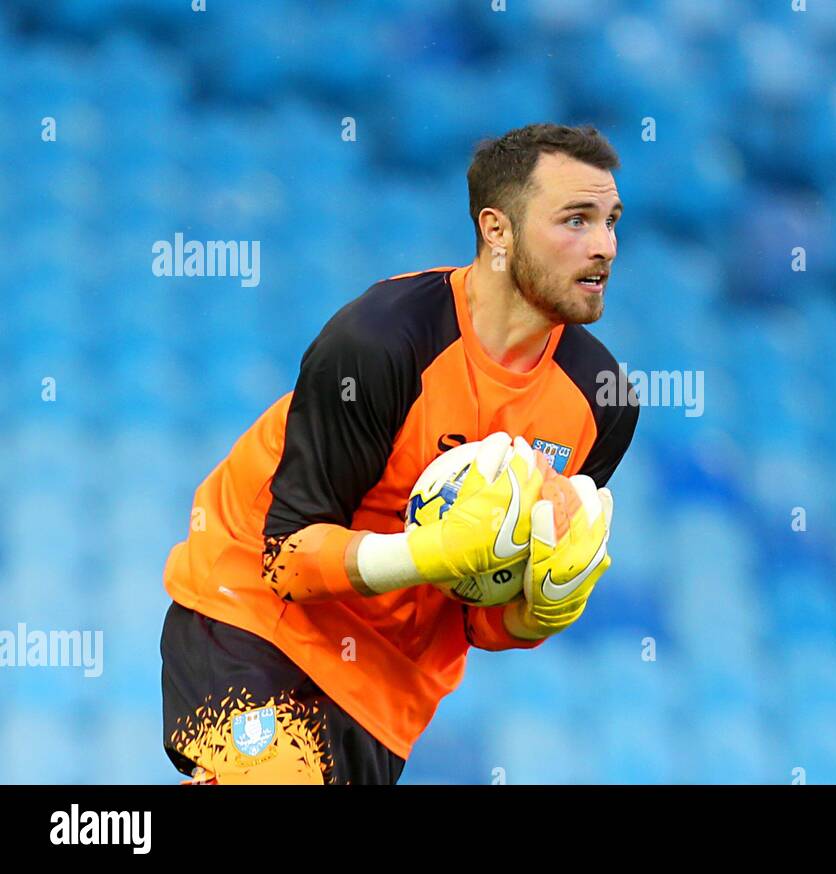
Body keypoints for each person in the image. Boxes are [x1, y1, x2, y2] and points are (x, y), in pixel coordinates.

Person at [159, 123, 638, 784]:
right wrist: (424, 553)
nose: (605, 247)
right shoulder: (381, 341)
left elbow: (476, 611)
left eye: (612, 221)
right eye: (577, 221)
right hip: (253, 613)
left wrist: (537, 612)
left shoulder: (604, 401)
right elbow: (284, 560)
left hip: (389, 683)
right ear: (497, 231)